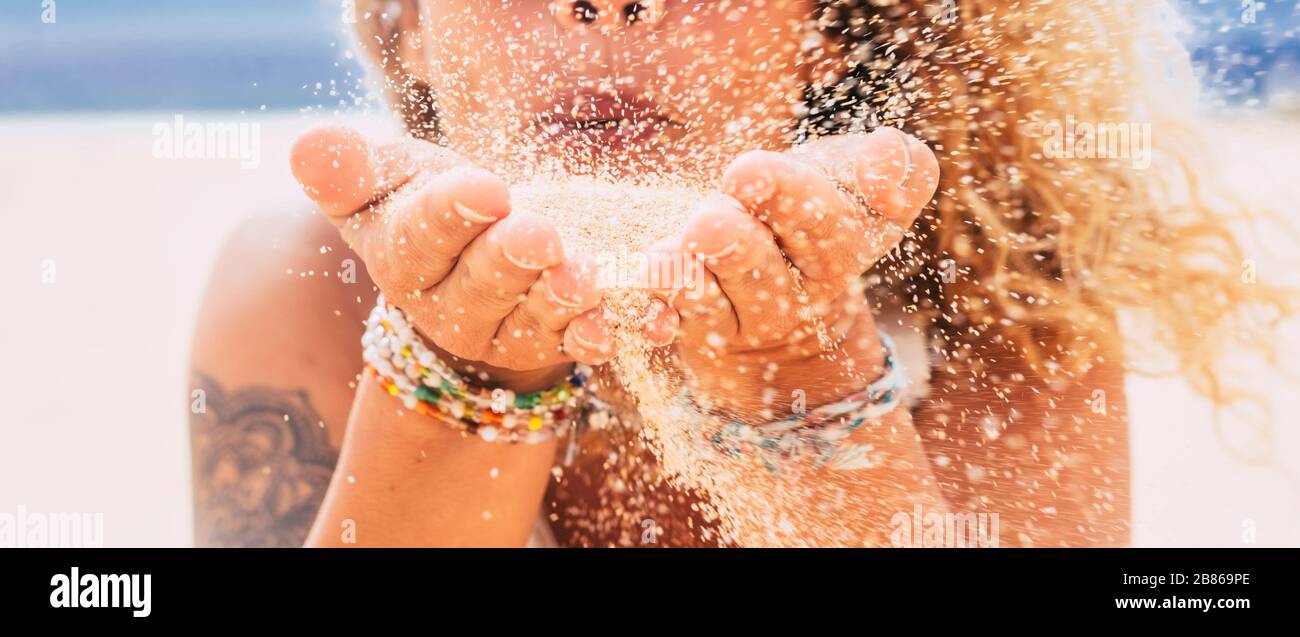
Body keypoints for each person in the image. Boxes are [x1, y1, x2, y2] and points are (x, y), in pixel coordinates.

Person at [189, 0, 1289, 547]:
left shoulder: (1003, 304)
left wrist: (803, 380)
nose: (609, 5)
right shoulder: (301, 290)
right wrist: (455, 371)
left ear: (826, 31)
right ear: (408, 26)